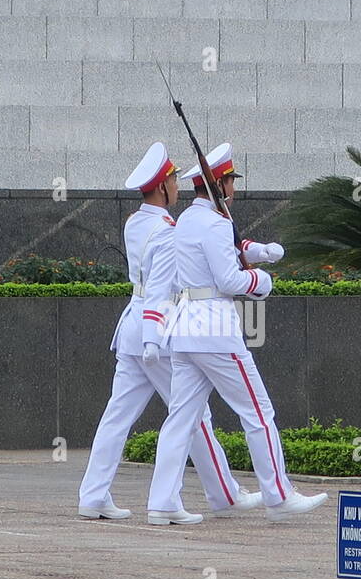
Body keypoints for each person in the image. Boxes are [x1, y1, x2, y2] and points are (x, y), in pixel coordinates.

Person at [79, 141, 262, 525]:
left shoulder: (135, 223)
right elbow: (164, 287)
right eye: (174, 180)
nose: (178, 186)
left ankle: (93, 495)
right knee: (193, 417)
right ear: (163, 188)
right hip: (157, 334)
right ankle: (223, 494)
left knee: (118, 417)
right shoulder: (167, 232)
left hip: (132, 327)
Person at [146, 143, 328, 523]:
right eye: (230, 181)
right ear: (220, 185)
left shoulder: (187, 221)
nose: (234, 188)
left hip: (185, 329)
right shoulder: (215, 222)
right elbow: (229, 277)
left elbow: (227, 253)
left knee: (181, 419)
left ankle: (162, 503)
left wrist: (259, 252)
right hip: (215, 330)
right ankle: (278, 495)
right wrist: (263, 281)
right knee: (258, 412)